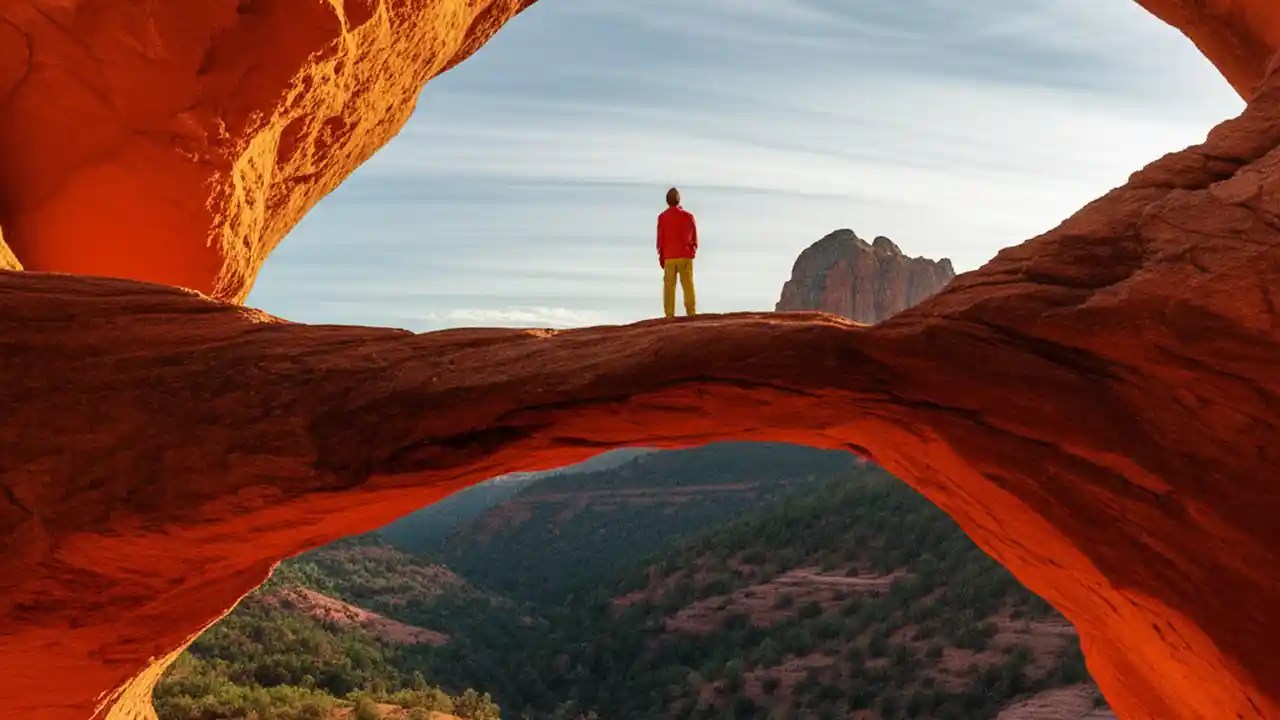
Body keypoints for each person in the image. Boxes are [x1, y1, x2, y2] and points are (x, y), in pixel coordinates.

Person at [656, 187, 698, 318]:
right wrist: (692, 250)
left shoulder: (662, 217)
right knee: (688, 284)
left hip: (669, 256)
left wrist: (661, 255)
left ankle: (669, 314)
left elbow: (660, 238)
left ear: (667, 201)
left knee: (669, 286)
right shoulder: (688, 216)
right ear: (678, 200)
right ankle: (691, 313)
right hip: (685, 255)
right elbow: (694, 236)